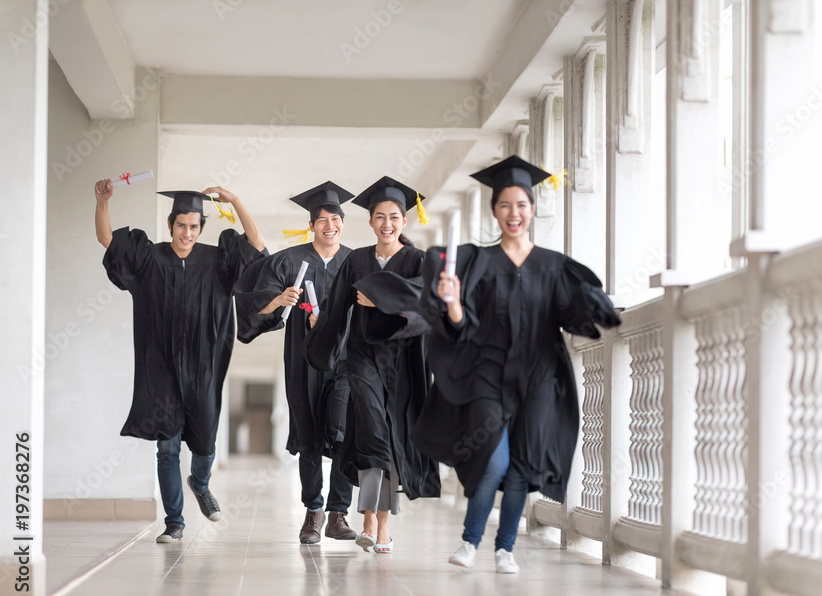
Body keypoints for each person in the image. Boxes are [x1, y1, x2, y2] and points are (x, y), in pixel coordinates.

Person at [415, 156, 620, 573]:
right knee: (492, 456)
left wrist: (593, 305)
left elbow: (571, 312)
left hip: (540, 375)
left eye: (522, 204)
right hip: (486, 373)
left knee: (522, 465)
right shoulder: (479, 263)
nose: (514, 213)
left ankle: (505, 549)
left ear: (531, 209)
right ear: (494, 211)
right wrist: (452, 299)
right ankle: (471, 542)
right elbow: (460, 327)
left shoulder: (552, 265)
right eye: (506, 205)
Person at [94, 181, 266, 543]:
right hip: (161, 367)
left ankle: (200, 484)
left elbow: (257, 246)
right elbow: (108, 240)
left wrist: (235, 200)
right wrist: (103, 202)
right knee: (167, 446)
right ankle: (175, 522)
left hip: (204, 364)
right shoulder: (149, 258)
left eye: (194, 226)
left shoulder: (218, 261)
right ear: (170, 225)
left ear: (201, 228)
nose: (187, 233)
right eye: (180, 225)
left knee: (204, 442)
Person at [305, 176, 440, 554]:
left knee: (387, 439)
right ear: (369, 220)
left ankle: (378, 524)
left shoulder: (418, 261)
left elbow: (429, 308)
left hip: (402, 363)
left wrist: (384, 302)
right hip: (362, 357)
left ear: (404, 221)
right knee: (373, 433)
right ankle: (373, 524)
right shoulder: (356, 260)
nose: (387, 224)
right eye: (379, 216)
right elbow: (335, 310)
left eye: (394, 216)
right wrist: (320, 339)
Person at [235, 181, 358, 544]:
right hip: (303, 360)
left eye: (335, 219)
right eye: (322, 220)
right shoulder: (290, 261)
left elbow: (371, 308)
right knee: (309, 437)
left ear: (342, 223)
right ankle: (313, 513)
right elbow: (253, 302)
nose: (329, 225)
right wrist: (281, 300)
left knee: (341, 434)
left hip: (345, 361)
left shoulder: (356, 261)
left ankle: (339, 513)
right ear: (311, 225)